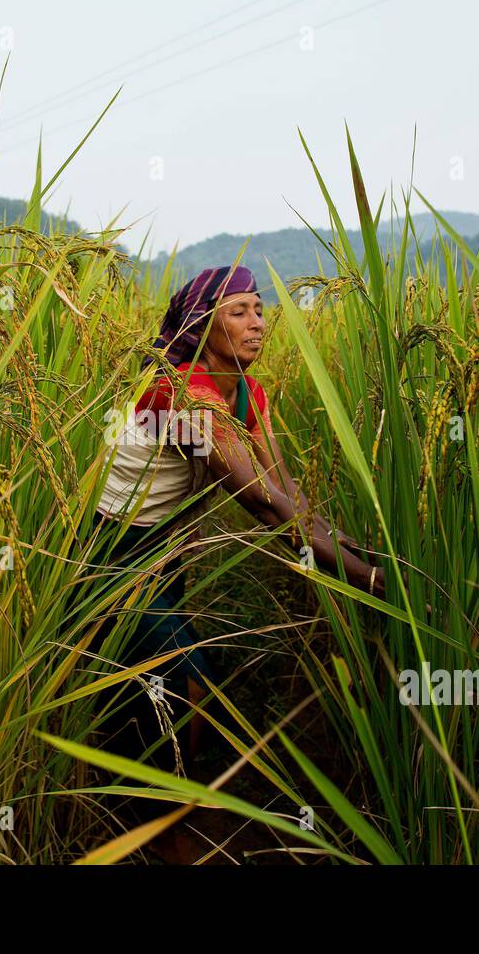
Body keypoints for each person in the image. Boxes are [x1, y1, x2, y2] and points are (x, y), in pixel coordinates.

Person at [89, 264, 385, 771]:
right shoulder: (181, 395)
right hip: (118, 555)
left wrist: (363, 554)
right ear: (204, 325)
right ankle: (168, 818)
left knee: (146, 675)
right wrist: (370, 580)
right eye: (239, 311)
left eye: (260, 310)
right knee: (189, 684)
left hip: (168, 550)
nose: (258, 322)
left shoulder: (248, 393)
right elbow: (262, 504)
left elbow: (287, 492)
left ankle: (133, 779)